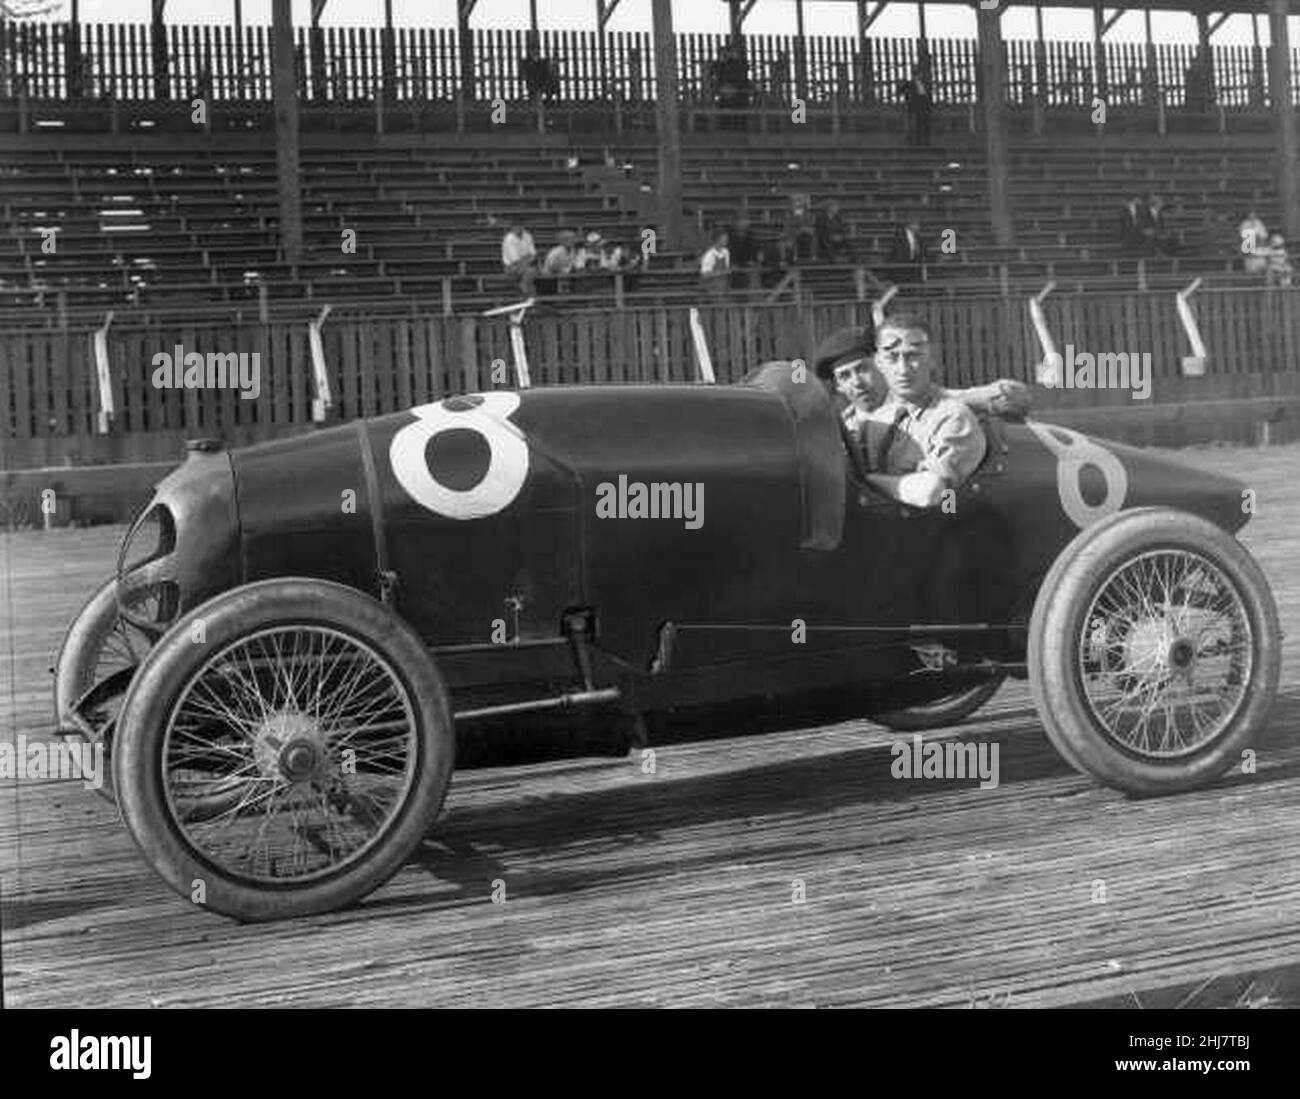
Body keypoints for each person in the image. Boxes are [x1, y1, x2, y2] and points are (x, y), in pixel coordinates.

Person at [855, 314, 987, 508]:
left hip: (942, 528)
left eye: (913, 356)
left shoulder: (953, 417)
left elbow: (930, 492)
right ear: (878, 363)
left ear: (932, 359)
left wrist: (864, 480)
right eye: (892, 357)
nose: (903, 369)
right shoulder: (876, 421)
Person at [896, 63, 932, 146]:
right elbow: (900, 91)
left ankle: (926, 142)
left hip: (924, 108)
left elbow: (928, 96)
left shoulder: (925, 84)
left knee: (925, 126)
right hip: (915, 108)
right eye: (917, 73)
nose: (919, 75)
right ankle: (917, 143)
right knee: (916, 126)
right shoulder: (910, 84)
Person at [884, 219, 926, 284]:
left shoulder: (918, 237)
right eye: (917, 225)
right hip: (901, 267)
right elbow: (895, 252)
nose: (919, 227)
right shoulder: (899, 235)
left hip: (913, 268)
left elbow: (919, 251)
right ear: (911, 225)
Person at [501, 223, 537, 296]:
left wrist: (527, 259)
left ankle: (526, 291)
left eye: (520, 225)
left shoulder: (527, 236)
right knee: (531, 271)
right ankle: (526, 292)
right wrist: (527, 257)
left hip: (527, 265)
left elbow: (533, 254)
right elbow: (515, 259)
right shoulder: (509, 239)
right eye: (516, 226)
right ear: (512, 228)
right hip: (511, 267)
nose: (518, 228)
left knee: (532, 271)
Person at [815, 199, 852, 264]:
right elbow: (821, 235)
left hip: (837, 243)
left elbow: (842, 231)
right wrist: (831, 237)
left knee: (850, 248)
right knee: (830, 251)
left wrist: (841, 237)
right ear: (829, 208)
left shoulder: (838, 219)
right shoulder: (821, 219)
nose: (837, 208)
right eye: (835, 206)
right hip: (825, 244)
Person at [700, 229, 731, 295]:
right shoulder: (709, 255)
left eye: (726, 238)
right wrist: (720, 273)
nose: (726, 240)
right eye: (723, 238)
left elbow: (726, 268)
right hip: (712, 287)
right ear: (717, 239)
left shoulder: (726, 252)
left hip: (724, 285)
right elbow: (705, 275)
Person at [1239, 210, 1269, 275]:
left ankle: (1262, 272)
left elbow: (1264, 235)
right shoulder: (1244, 224)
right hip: (1248, 245)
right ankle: (1252, 272)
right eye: (1251, 214)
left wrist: (1259, 239)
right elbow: (1245, 237)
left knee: (1263, 254)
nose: (1252, 215)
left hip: (1259, 245)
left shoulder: (1259, 223)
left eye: (1253, 214)